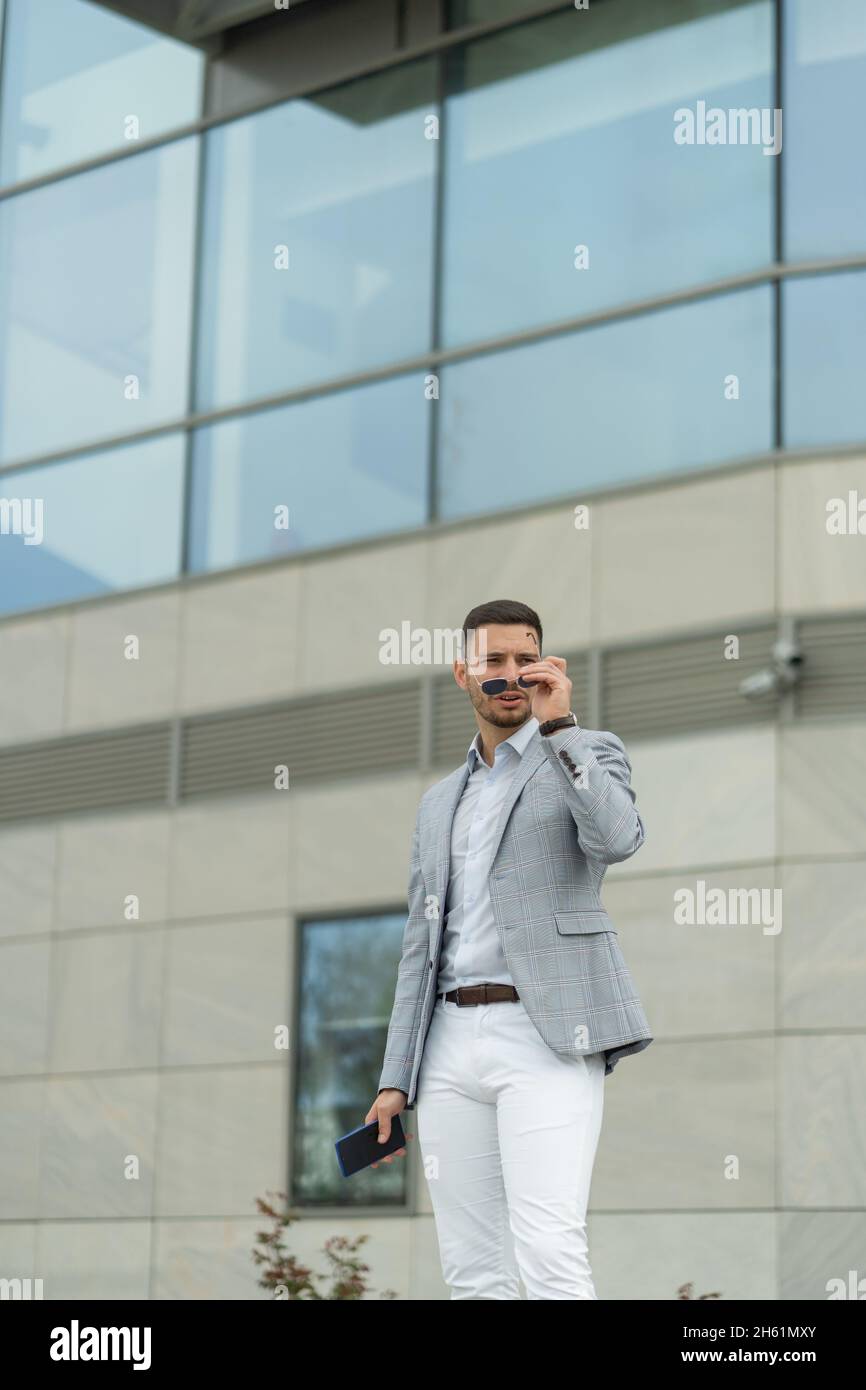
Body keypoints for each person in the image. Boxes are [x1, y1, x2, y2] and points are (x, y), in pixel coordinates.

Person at [367, 598, 652, 1299]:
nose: (511, 673)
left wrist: (560, 727)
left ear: (546, 666)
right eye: (494, 660)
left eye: (526, 658)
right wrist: (393, 1075)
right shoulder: (439, 802)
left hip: (547, 1031)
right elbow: (419, 941)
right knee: (473, 1270)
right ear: (464, 673)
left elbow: (618, 839)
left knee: (548, 1249)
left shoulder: (585, 750)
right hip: (448, 1045)